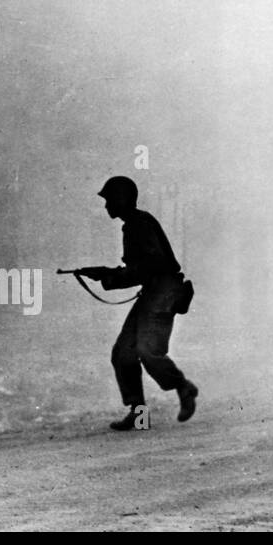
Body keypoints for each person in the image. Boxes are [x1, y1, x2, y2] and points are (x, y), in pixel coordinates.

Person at [80, 176, 198, 430]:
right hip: (154, 293)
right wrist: (108, 273)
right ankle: (139, 414)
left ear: (121, 200)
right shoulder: (134, 223)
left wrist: (109, 276)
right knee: (123, 353)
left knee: (147, 351)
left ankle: (183, 387)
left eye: (109, 200)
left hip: (162, 293)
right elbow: (140, 269)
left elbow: (146, 269)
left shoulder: (138, 225)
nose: (106, 206)